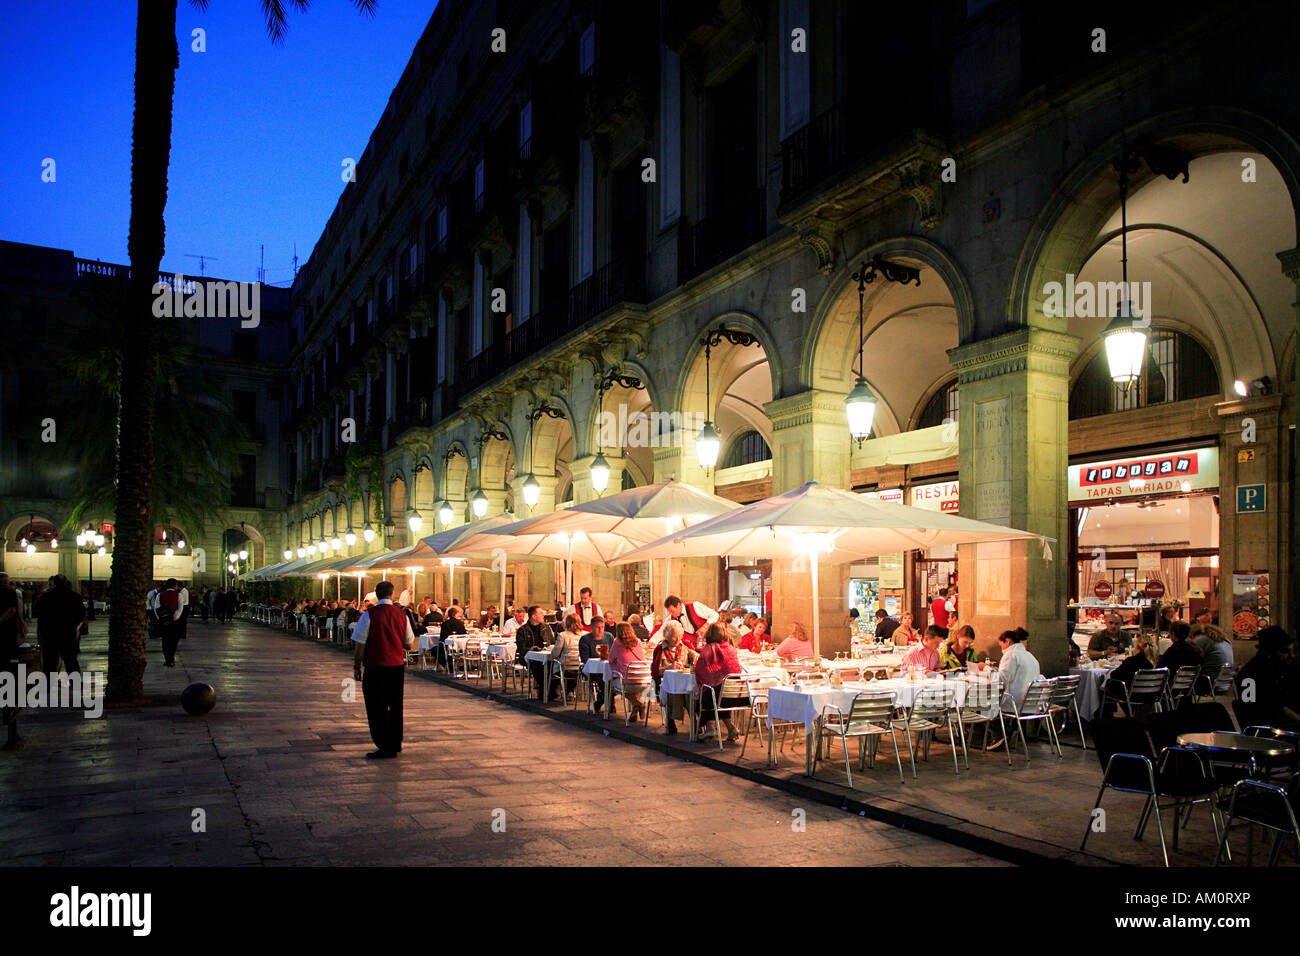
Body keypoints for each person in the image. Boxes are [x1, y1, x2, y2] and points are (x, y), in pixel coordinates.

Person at [351, 580, 414, 758]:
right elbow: (409, 643)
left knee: (376, 706)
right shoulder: (402, 614)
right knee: (395, 705)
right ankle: (395, 742)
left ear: (376, 595)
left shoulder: (369, 614)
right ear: (392, 594)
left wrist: (357, 666)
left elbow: (360, 644)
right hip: (396, 667)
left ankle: (384, 744)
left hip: (375, 666)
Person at [1235, 627, 1300, 726]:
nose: (1292, 656)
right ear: (1268, 652)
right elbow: (1251, 711)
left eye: (1293, 651)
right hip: (1266, 731)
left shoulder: (1281, 669)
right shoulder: (1251, 674)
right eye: (1285, 651)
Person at [989, 627, 1041, 749]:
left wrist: (987, 670)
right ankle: (1005, 732)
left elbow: (1001, 679)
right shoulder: (1030, 656)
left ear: (1007, 641)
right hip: (1031, 700)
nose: (1001, 649)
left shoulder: (1011, 655)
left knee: (981, 702)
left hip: (1014, 700)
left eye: (1001, 645)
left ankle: (1001, 733)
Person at [694, 623, 744, 742]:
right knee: (719, 696)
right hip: (734, 694)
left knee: (701, 697)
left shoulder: (708, 651)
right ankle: (731, 728)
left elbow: (700, 671)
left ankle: (709, 728)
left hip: (716, 695)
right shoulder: (731, 649)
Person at [0, 572, 29, 750]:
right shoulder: (12, 594)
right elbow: (14, 611)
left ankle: (9, 711)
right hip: (9, 640)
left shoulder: (11, 594)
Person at [651, 620, 696, 734]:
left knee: (690, 692)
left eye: (679, 636)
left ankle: (695, 723)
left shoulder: (685, 645)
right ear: (667, 636)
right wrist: (668, 667)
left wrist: (695, 658)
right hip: (666, 684)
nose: (677, 640)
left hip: (684, 682)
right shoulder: (660, 649)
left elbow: (695, 657)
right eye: (674, 637)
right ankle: (670, 721)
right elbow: (655, 672)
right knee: (672, 691)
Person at [35, 574, 85, 674]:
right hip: (68, 633)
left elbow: (39, 614)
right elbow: (80, 615)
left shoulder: (45, 597)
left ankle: (49, 685)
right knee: (71, 661)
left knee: (50, 662)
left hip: (50, 634)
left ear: (55, 583)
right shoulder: (75, 597)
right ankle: (75, 684)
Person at [1102, 632, 1158, 715]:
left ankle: (1104, 714)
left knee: (1108, 685)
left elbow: (1115, 675)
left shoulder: (1131, 661)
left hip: (1131, 695)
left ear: (1137, 648)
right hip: (1149, 696)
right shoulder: (1153, 665)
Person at [608, 622, 650, 720]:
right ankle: (635, 710)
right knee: (632, 682)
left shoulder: (617, 642)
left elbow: (610, 659)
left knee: (614, 684)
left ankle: (638, 703)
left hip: (627, 682)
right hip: (643, 682)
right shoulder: (638, 642)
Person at [1190, 623, 1234, 692]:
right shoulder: (1226, 641)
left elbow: (1190, 655)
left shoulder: (1203, 640)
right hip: (1225, 683)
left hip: (1209, 683)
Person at [155, 579, 183, 667]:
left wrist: (162, 619)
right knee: (174, 641)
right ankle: (171, 659)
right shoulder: (179, 595)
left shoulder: (160, 595)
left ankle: (167, 659)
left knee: (165, 641)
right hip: (174, 622)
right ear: (175, 586)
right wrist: (174, 617)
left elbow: (157, 608)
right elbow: (180, 608)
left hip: (163, 622)